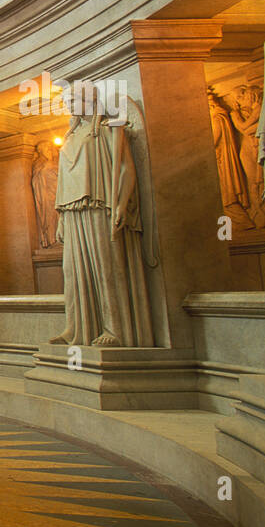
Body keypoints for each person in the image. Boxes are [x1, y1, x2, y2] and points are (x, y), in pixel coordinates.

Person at [49, 82, 153, 346]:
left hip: (98, 206)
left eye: (73, 99)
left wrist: (121, 204)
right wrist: (61, 215)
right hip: (72, 211)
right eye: (67, 100)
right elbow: (65, 179)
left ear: (89, 99)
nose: (68, 105)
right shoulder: (72, 135)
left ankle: (114, 329)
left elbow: (126, 169)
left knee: (106, 268)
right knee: (73, 272)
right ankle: (76, 329)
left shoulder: (109, 130)